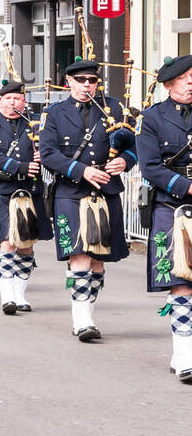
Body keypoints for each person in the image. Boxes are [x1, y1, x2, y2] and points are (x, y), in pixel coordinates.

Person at [39, 58, 135, 341]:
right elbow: (48, 153)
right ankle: (82, 320)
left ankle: (86, 312)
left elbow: (135, 144)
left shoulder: (114, 107)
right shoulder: (54, 113)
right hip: (71, 191)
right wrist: (82, 170)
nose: (86, 86)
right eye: (80, 80)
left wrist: (126, 162)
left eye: (91, 81)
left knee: (97, 260)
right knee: (79, 254)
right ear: (68, 82)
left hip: (106, 190)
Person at [135, 54, 192, 380]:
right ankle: (183, 354)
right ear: (169, 84)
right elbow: (150, 167)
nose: (191, 82)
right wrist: (186, 187)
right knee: (181, 282)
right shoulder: (152, 118)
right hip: (171, 207)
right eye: (185, 78)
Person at [0, 78, 51, 314]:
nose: (12, 103)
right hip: (1, 190)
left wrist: (43, 157)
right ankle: (7, 296)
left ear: (24, 100)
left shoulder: (36, 125)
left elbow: (51, 151)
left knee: (26, 246)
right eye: (7, 98)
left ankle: (20, 294)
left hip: (30, 191)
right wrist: (18, 166)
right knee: (7, 243)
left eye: (17, 98)